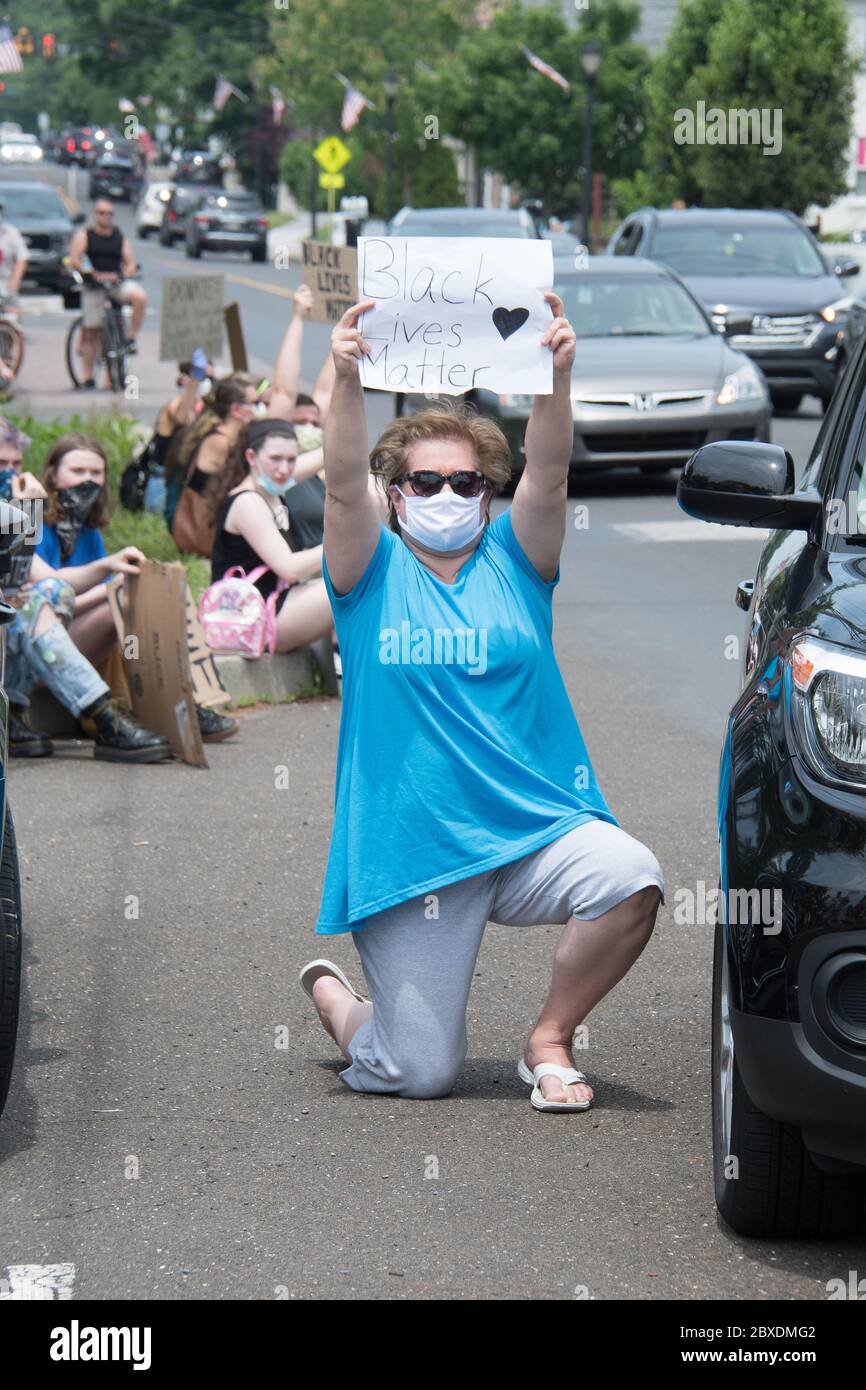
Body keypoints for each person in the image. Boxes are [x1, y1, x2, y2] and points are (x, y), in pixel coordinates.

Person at [299, 295, 664, 1110]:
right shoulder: (369, 573)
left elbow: (553, 470)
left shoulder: (516, 559)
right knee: (421, 1073)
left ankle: (550, 1037)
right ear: (397, 495)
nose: (446, 492)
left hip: (532, 829)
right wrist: (349, 381)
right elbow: (342, 485)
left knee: (632, 875)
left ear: (487, 495)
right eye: (425, 480)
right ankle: (344, 1006)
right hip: (414, 852)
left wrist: (555, 378)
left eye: (465, 481)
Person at [32, 431, 236, 743]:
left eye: (95, 472)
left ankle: (176, 700)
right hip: (40, 646)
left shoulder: (88, 532)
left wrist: (119, 588)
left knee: (139, 599)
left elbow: (100, 598)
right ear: (54, 477)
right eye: (77, 471)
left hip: (78, 635)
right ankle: (167, 705)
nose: (88, 480)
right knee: (127, 600)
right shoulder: (31, 525)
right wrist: (113, 588)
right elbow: (44, 604)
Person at [209, 417, 336, 655]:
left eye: (291, 460)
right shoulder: (248, 503)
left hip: (271, 606)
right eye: (275, 459)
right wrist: (343, 546)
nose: (284, 469)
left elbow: (326, 454)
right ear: (251, 458)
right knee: (352, 583)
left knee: (363, 580)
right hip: (250, 619)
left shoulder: (271, 483)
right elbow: (290, 569)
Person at [68, 199, 146, 387]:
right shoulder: (86, 235)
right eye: (102, 213)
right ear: (95, 214)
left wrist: (123, 274)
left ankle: (130, 338)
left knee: (139, 296)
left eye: (110, 213)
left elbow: (130, 262)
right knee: (92, 330)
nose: (106, 217)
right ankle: (87, 376)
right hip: (94, 285)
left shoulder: (119, 237)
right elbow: (74, 258)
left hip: (115, 283)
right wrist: (90, 273)